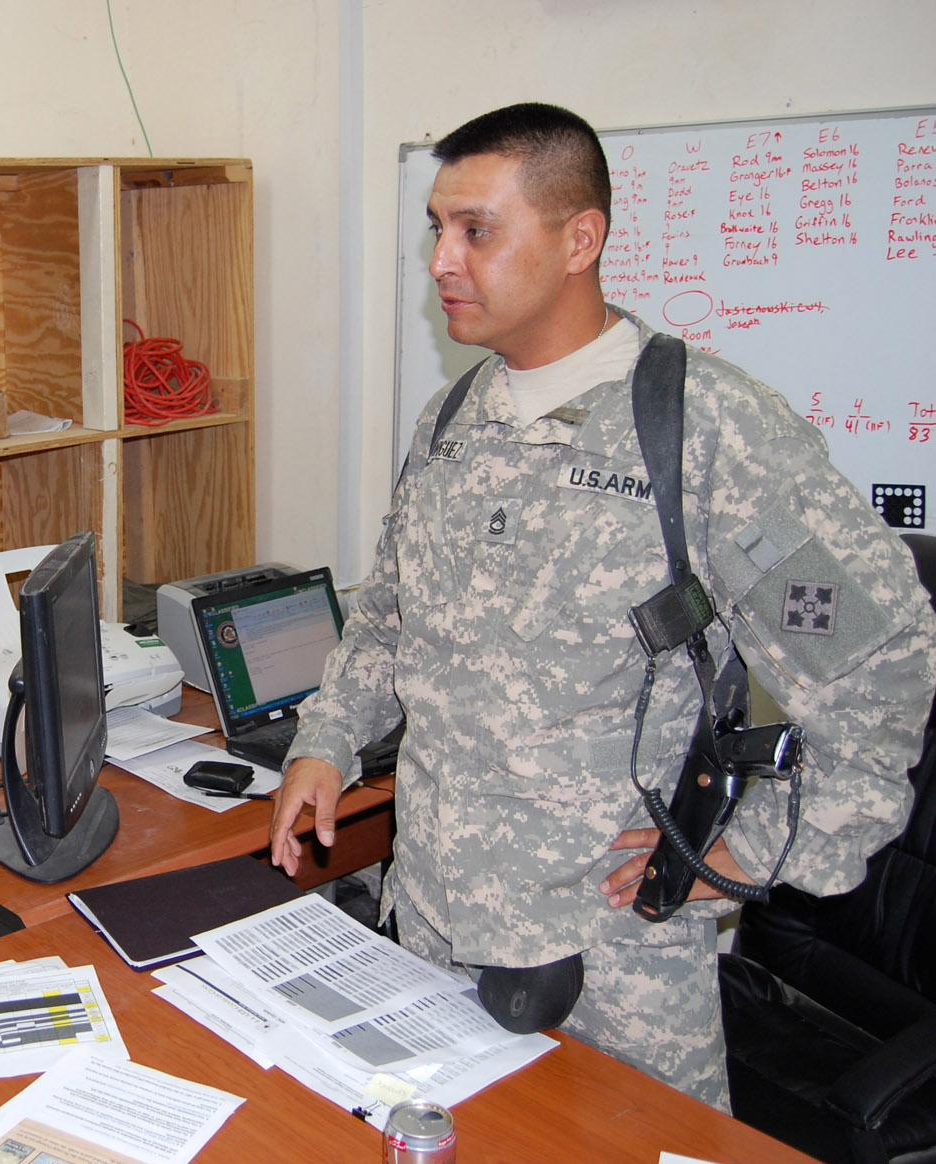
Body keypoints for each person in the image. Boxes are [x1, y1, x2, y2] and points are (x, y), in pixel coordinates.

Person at [269, 102, 936, 1110]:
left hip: (613, 964)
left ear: (580, 238)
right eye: (436, 229)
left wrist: (751, 850)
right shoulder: (453, 417)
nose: (443, 260)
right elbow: (392, 617)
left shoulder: (705, 431)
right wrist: (326, 739)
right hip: (435, 931)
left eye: (476, 230)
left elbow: (873, 664)